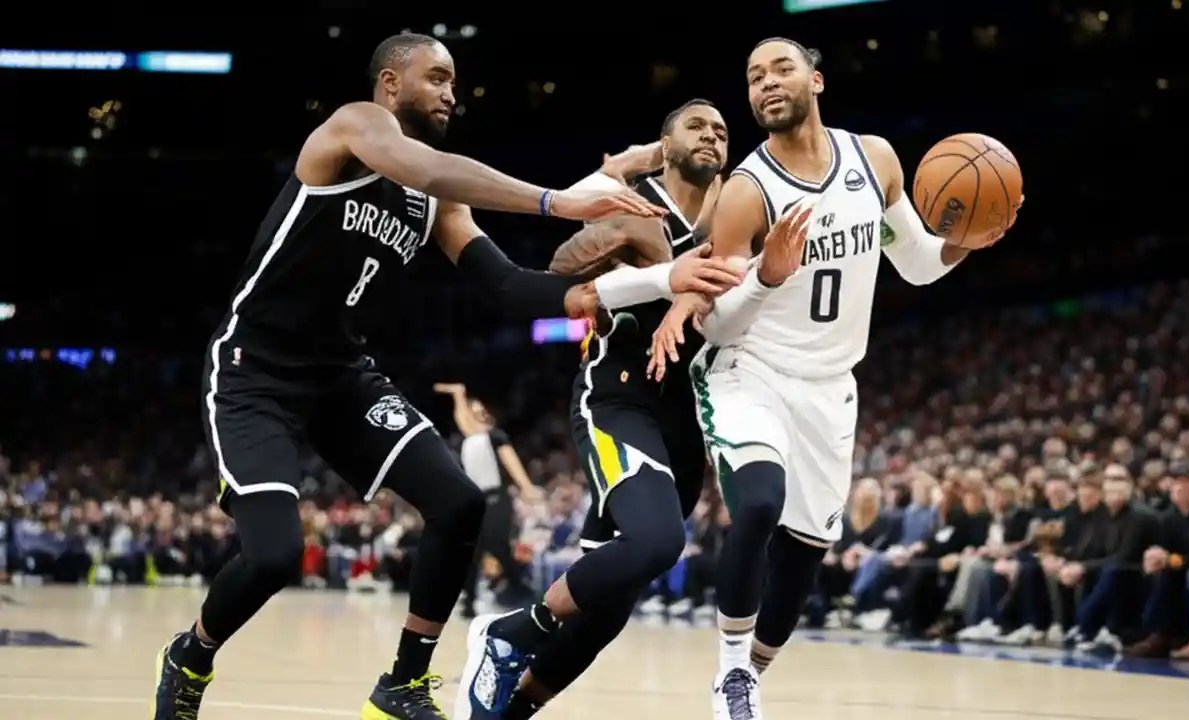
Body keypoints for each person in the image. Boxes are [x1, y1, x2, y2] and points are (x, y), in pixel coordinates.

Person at [150, 32, 741, 720]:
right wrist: (557, 201)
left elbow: (511, 287)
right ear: (391, 83)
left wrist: (599, 294)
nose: (451, 93)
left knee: (461, 502)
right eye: (437, 78)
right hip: (258, 369)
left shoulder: (435, 207)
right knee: (277, 554)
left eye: (455, 83)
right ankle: (191, 653)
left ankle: (402, 681)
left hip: (342, 375)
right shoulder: (355, 127)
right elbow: (425, 168)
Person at [647, 37, 1019, 718]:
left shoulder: (873, 160)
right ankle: (729, 674)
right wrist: (766, 276)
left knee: (803, 557)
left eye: (780, 68)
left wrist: (967, 242)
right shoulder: (746, 193)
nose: (766, 82)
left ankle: (754, 672)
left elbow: (917, 263)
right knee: (757, 504)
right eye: (754, 75)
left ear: (816, 80)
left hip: (830, 387)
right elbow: (716, 323)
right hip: (749, 369)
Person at [453, 98, 788, 720]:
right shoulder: (638, 209)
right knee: (659, 539)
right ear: (667, 142)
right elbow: (558, 269)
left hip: (691, 418)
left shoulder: (740, 211)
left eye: (721, 129)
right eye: (696, 126)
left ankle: (506, 711)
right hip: (619, 398)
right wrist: (629, 233)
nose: (712, 135)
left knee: (607, 608)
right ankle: (508, 633)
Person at [434, 383, 540, 616]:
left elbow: (510, 460)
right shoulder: (470, 438)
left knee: (499, 547)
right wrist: (459, 396)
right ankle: (470, 600)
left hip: (497, 499)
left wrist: (526, 486)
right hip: (477, 501)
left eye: (478, 411)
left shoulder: (495, 436)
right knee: (472, 553)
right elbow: (462, 419)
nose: (472, 416)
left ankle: (523, 592)